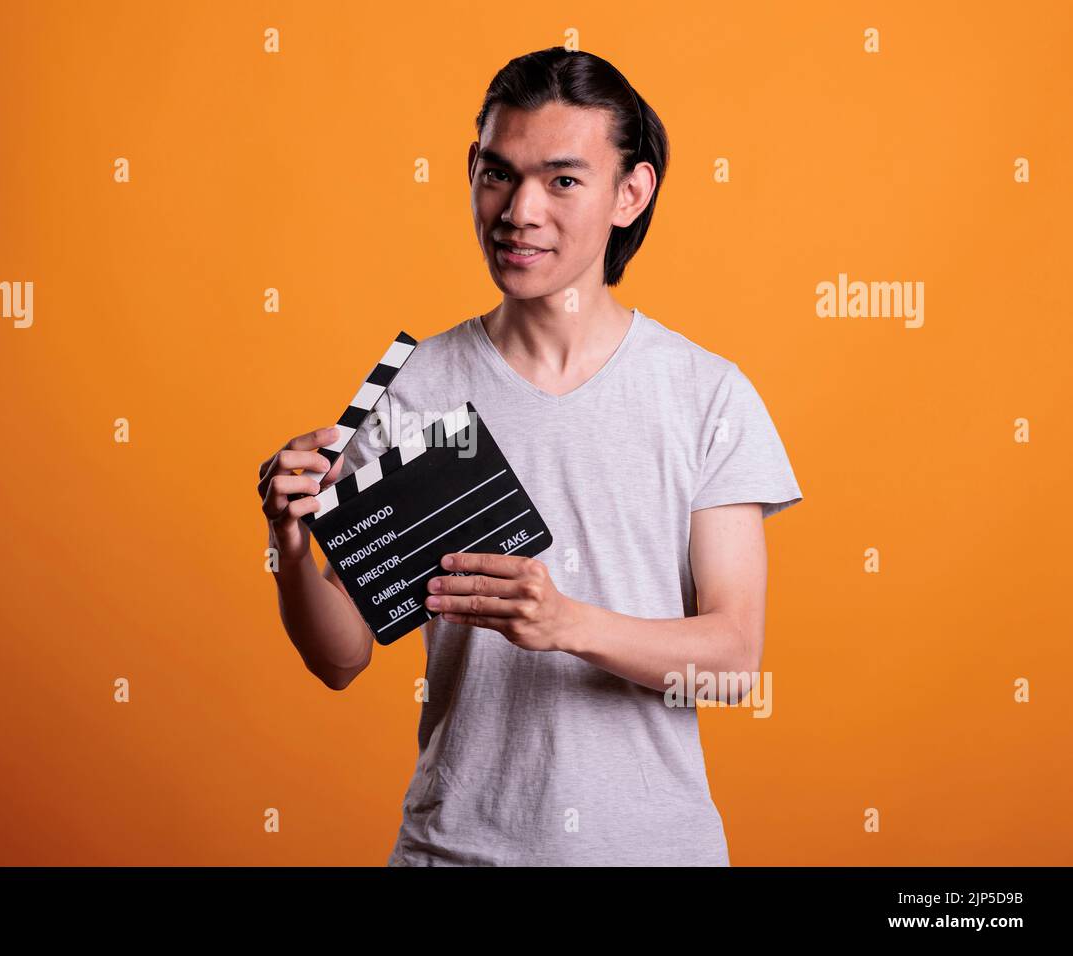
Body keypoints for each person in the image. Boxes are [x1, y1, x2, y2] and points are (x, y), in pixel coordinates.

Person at [255, 47, 803, 866]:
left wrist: (568, 624)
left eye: (563, 180)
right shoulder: (415, 386)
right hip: (456, 848)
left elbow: (730, 666)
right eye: (497, 174)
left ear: (631, 193)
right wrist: (292, 548)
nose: (519, 211)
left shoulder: (706, 395)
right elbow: (342, 659)